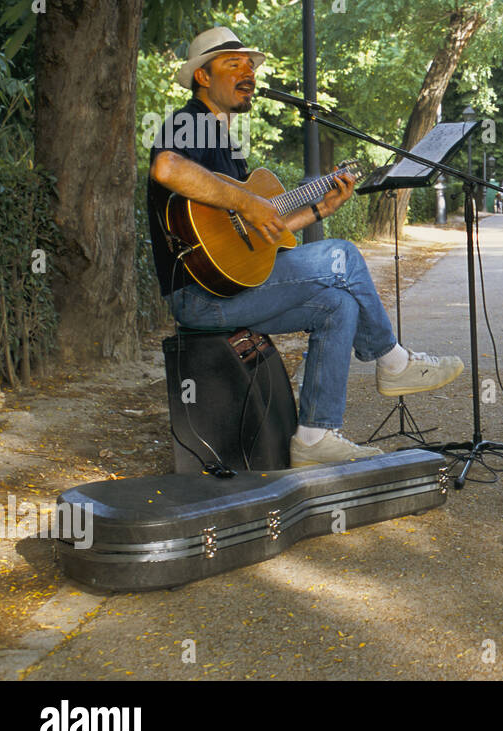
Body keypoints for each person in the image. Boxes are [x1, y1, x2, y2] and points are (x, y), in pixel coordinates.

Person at [147, 27, 464, 466]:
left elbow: (255, 237)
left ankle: (314, 437)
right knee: (343, 256)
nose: (248, 73)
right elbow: (165, 167)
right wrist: (250, 201)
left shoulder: (226, 145)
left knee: (338, 304)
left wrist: (319, 210)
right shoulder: (190, 122)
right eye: (233, 64)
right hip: (199, 296)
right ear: (202, 77)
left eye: (250, 65)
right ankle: (393, 362)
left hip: (225, 289)